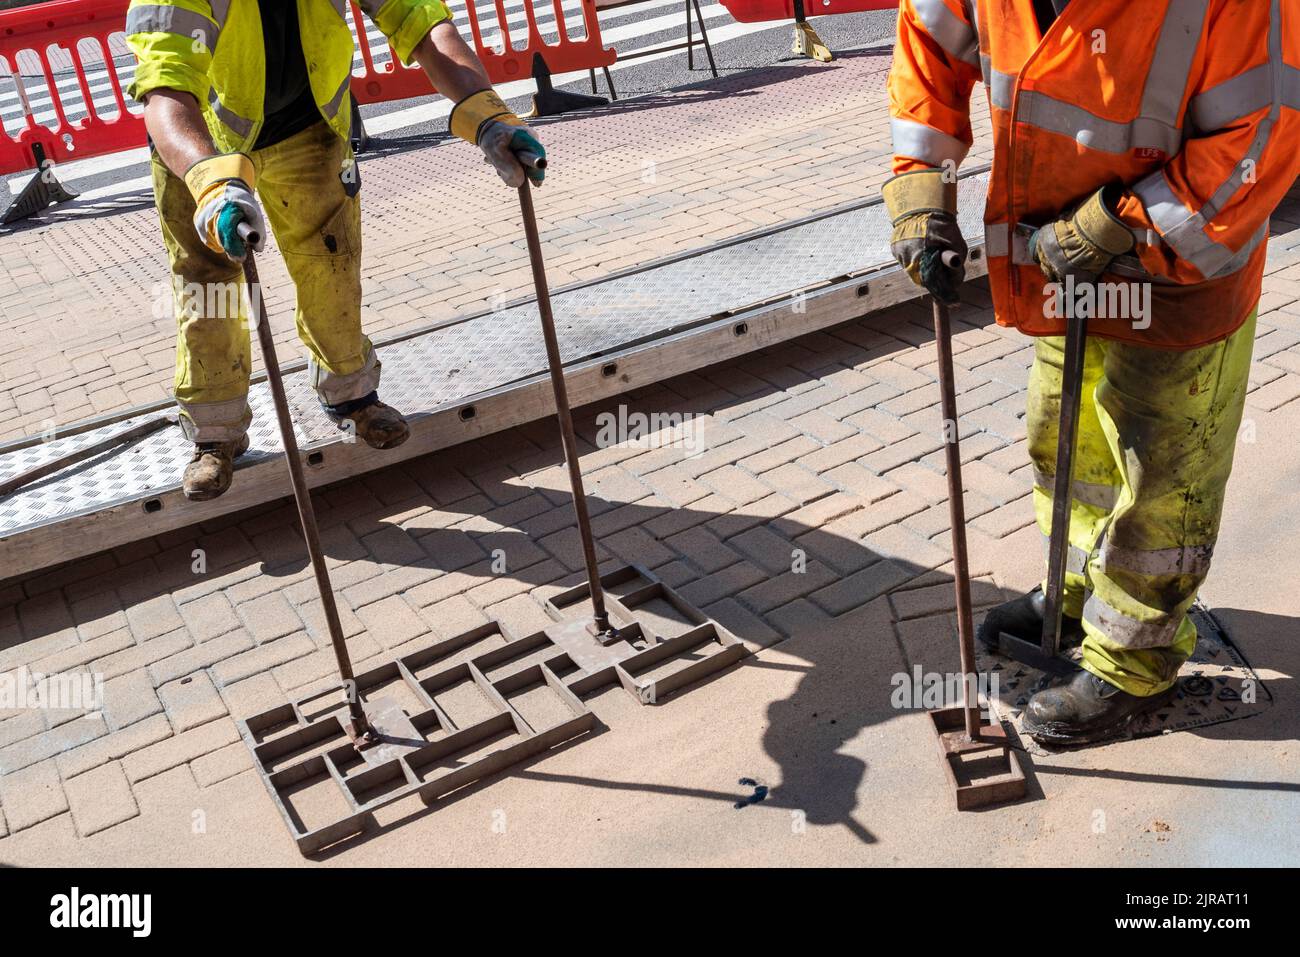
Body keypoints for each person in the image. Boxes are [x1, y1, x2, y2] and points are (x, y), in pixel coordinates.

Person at [882, 0, 1299, 744]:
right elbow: (932, 42)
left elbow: (1264, 133)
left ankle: (1131, 657)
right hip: (1060, 264)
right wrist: (921, 184)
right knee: (1063, 432)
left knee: (1161, 472)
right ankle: (1074, 589)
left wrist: (1119, 223)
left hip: (1178, 272)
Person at [126, 0, 545, 500]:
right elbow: (165, 91)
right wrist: (210, 182)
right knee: (209, 284)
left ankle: (351, 398)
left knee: (332, 265)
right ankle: (217, 435)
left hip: (307, 128)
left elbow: (419, 21)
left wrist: (486, 113)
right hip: (199, 143)